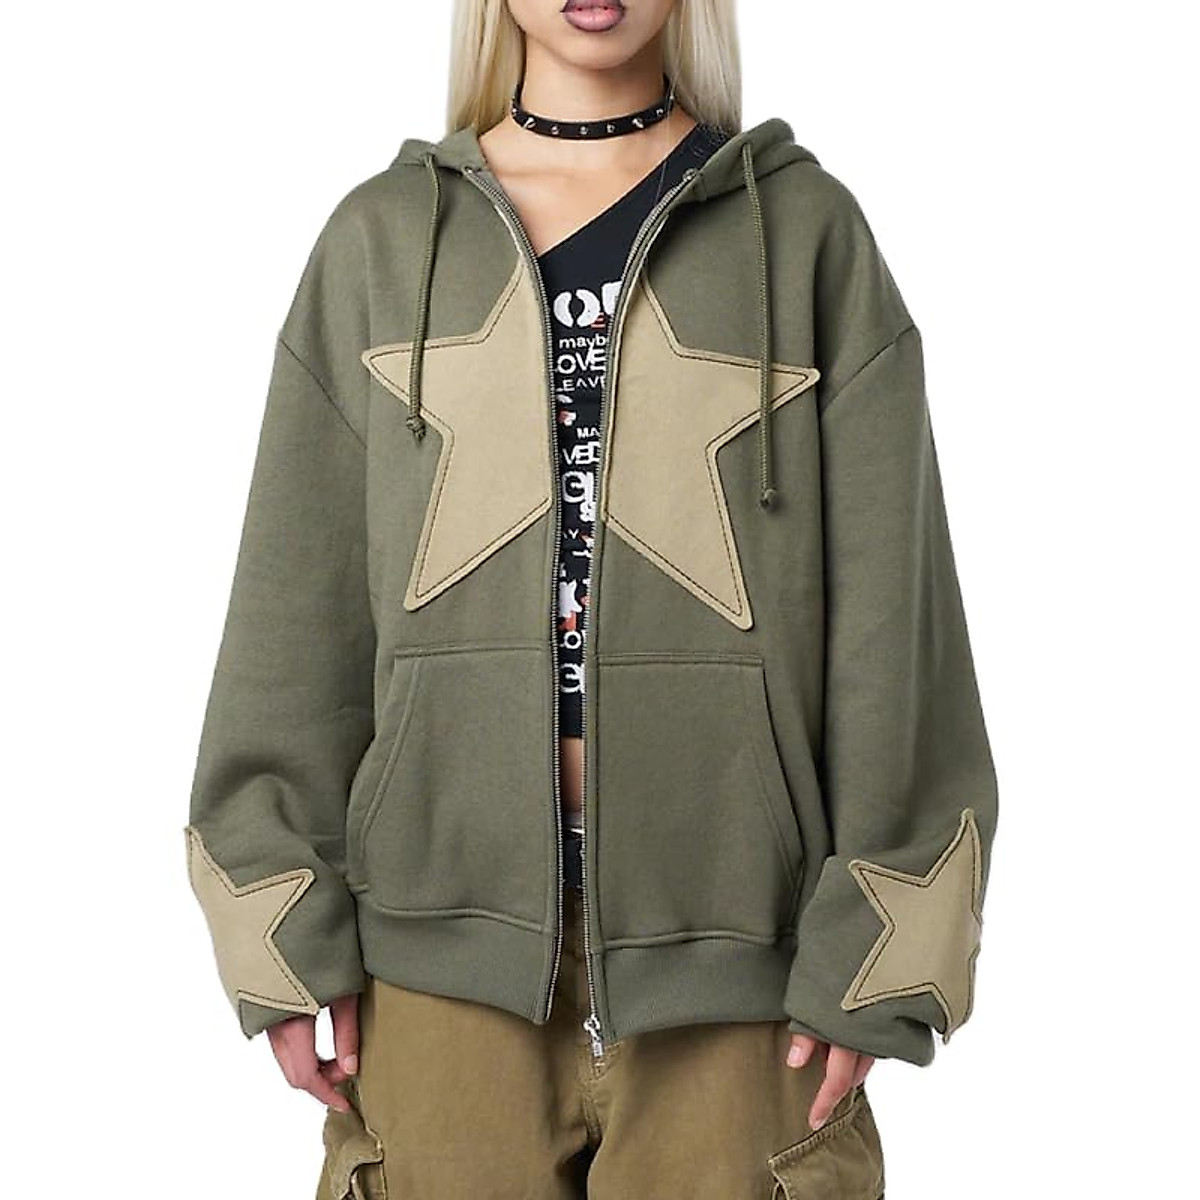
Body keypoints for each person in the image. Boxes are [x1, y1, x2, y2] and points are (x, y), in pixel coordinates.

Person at [182, 1, 1000, 1195]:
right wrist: (280, 923)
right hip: (433, 969)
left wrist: (880, 942)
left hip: (746, 971)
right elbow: (292, 610)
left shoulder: (805, 233)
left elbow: (896, 613)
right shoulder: (380, 242)